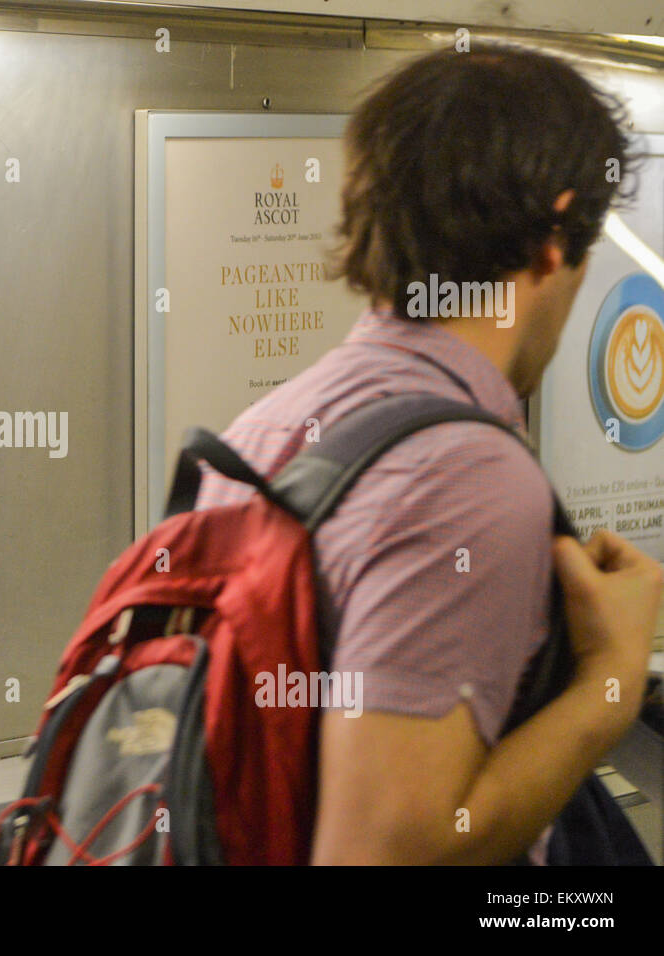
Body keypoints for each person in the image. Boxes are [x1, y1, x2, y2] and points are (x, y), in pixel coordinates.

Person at [196, 45, 662, 864]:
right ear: (555, 238)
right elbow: (383, 851)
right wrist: (609, 682)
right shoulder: (464, 476)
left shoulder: (266, 428)